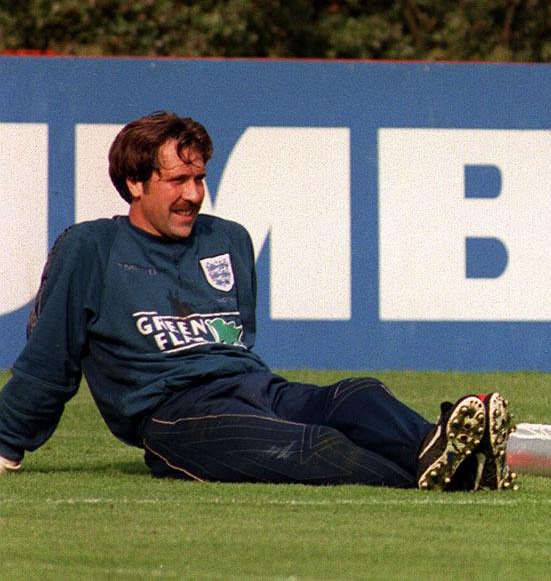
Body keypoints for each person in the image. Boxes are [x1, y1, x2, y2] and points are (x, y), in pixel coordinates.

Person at [0, 111, 515, 491]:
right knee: (315, 446)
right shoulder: (91, 248)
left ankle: (441, 449)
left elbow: (240, 339)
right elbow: (50, 360)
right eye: (177, 179)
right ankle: (453, 477)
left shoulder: (229, 239)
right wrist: (7, 441)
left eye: (199, 177)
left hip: (254, 386)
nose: (194, 193)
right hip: (174, 416)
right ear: (134, 183)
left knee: (356, 395)